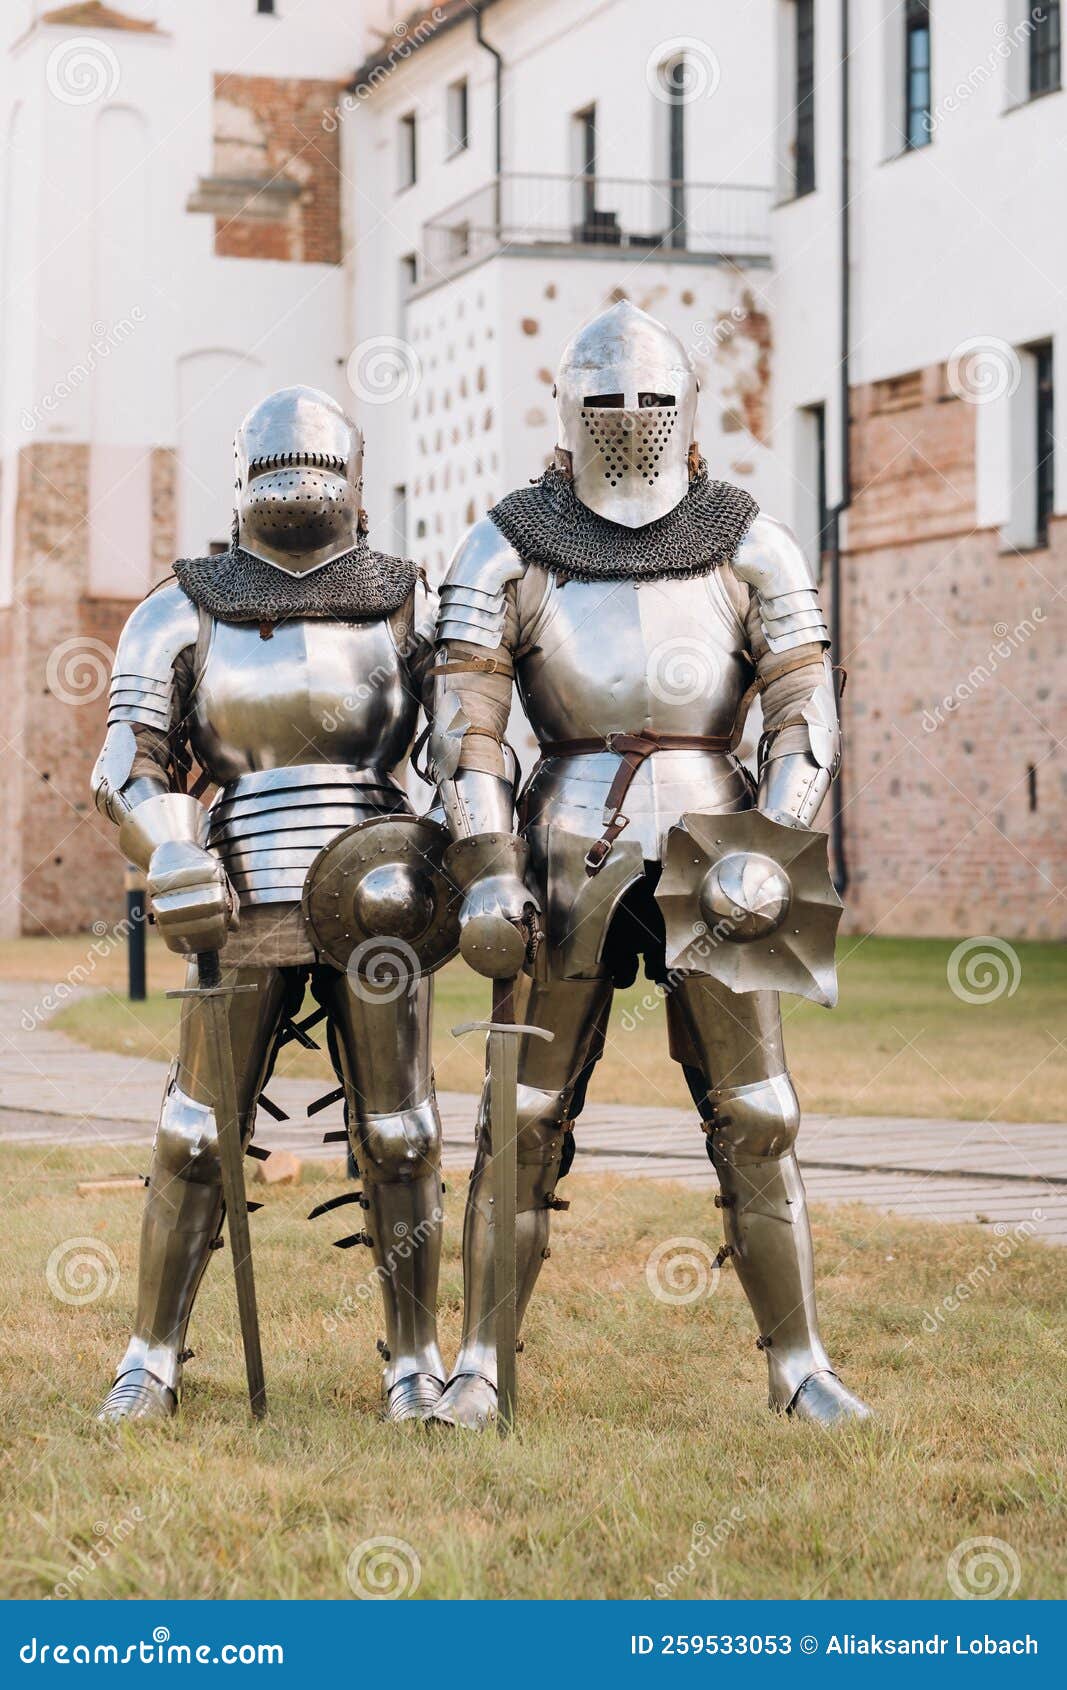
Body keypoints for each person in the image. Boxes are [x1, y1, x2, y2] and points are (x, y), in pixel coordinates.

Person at [428, 302, 870, 1431]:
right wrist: (485, 859)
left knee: (757, 1114)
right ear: (567, 417)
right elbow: (467, 718)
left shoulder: (746, 538)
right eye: (607, 401)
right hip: (558, 845)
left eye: (650, 400)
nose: (629, 421)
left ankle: (800, 1364)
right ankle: (478, 1359)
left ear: (686, 412)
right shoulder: (507, 541)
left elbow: (802, 706)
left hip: (720, 844)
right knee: (520, 1117)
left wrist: (771, 839)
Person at [91, 387, 445, 1423]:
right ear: (242, 474)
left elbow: (458, 742)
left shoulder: (406, 601)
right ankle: (150, 1354)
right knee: (197, 1130)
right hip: (236, 874)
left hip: (384, 881)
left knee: (402, 1131)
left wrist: (465, 848)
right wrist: (169, 844)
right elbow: (126, 760)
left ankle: (415, 1358)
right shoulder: (178, 605)